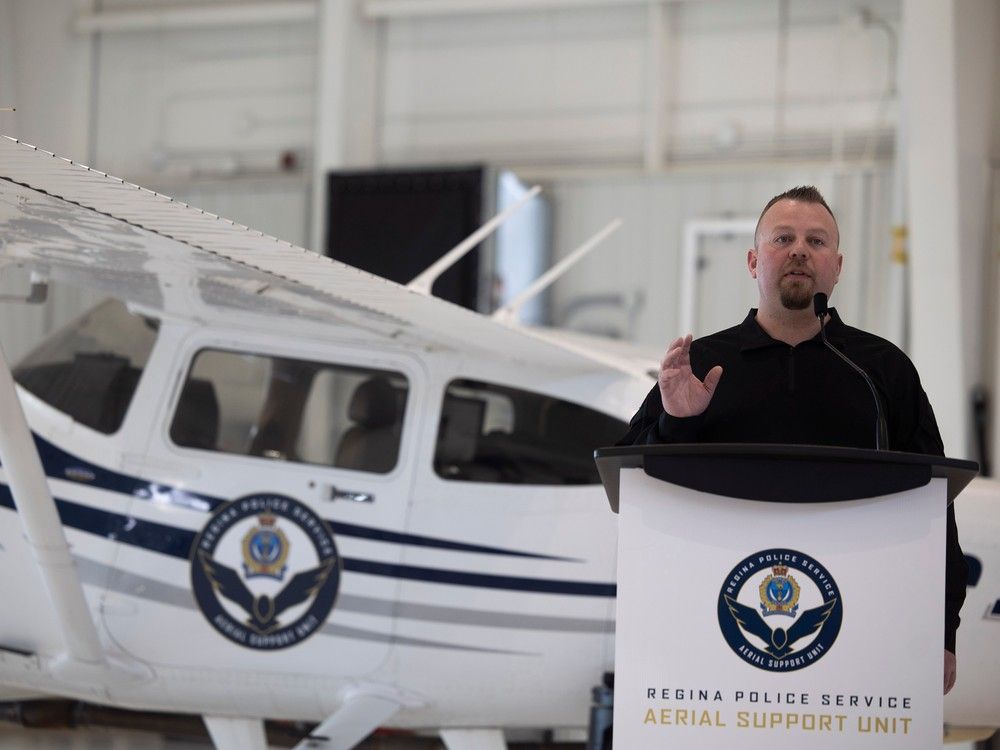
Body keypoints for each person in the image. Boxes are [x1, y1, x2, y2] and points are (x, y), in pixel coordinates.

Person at [618, 185, 966, 695]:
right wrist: (677, 420)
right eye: (784, 238)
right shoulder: (701, 364)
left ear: (838, 265)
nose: (800, 249)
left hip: (865, 638)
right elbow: (630, 485)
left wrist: (943, 629)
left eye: (816, 240)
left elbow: (936, 502)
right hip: (705, 639)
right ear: (754, 260)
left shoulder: (881, 370)